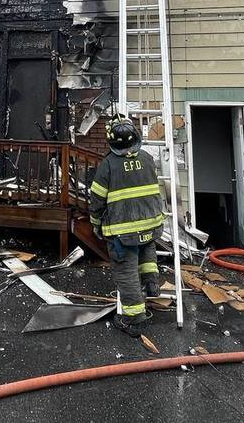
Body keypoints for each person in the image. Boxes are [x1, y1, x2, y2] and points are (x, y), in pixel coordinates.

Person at [88, 115, 165, 336]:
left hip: (123, 231)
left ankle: (135, 319)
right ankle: (151, 284)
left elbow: (97, 200)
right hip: (151, 223)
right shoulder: (148, 158)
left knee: (126, 271)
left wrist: (96, 223)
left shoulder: (108, 165)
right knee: (147, 249)